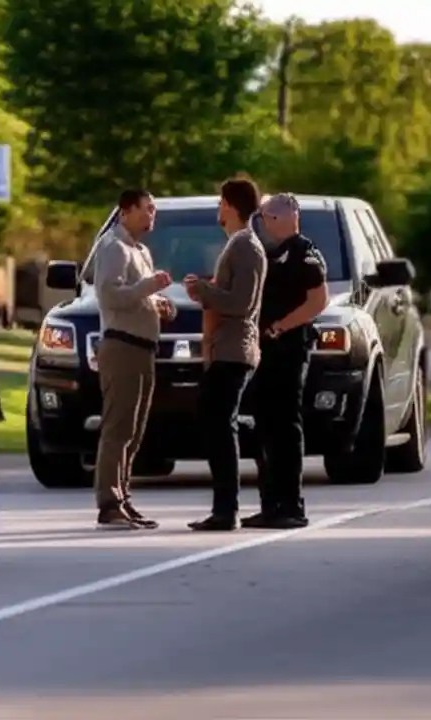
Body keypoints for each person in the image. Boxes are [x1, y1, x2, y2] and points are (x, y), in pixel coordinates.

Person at [183, 177, 267, 532]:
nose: (218, 208)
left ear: (231, 206)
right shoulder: (237, 244)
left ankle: (226, 509)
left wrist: (203, 290)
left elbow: (241, 302)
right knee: (216, 423)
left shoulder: (245, 246)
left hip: (235, 349)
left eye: (221, 202)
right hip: (226, 348)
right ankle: (225, 506)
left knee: (220, 425)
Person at [243, 193, 330, 529]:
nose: (261, 225)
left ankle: (291, 504)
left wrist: (281, 326)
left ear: (278, 219)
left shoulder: (304, 254)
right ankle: (270, 503)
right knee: (264, 425)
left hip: (289, 348)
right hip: (264, 350)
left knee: (285, 426)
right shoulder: (267, 253)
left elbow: (318, 301)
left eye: (264, 219)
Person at [91, 188, 174, 530]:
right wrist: (148, 288)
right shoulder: (114, 247)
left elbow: (136, 296)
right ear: (125, 211)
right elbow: (109, 295)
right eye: (146, 209)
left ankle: (123, 498)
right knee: (117, 427)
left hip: (143, 347)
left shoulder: (140, 251)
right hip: (121, 345)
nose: (152, 215)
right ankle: (109, 505)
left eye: (154, 210)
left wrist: (159, 305)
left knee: (134, 430)